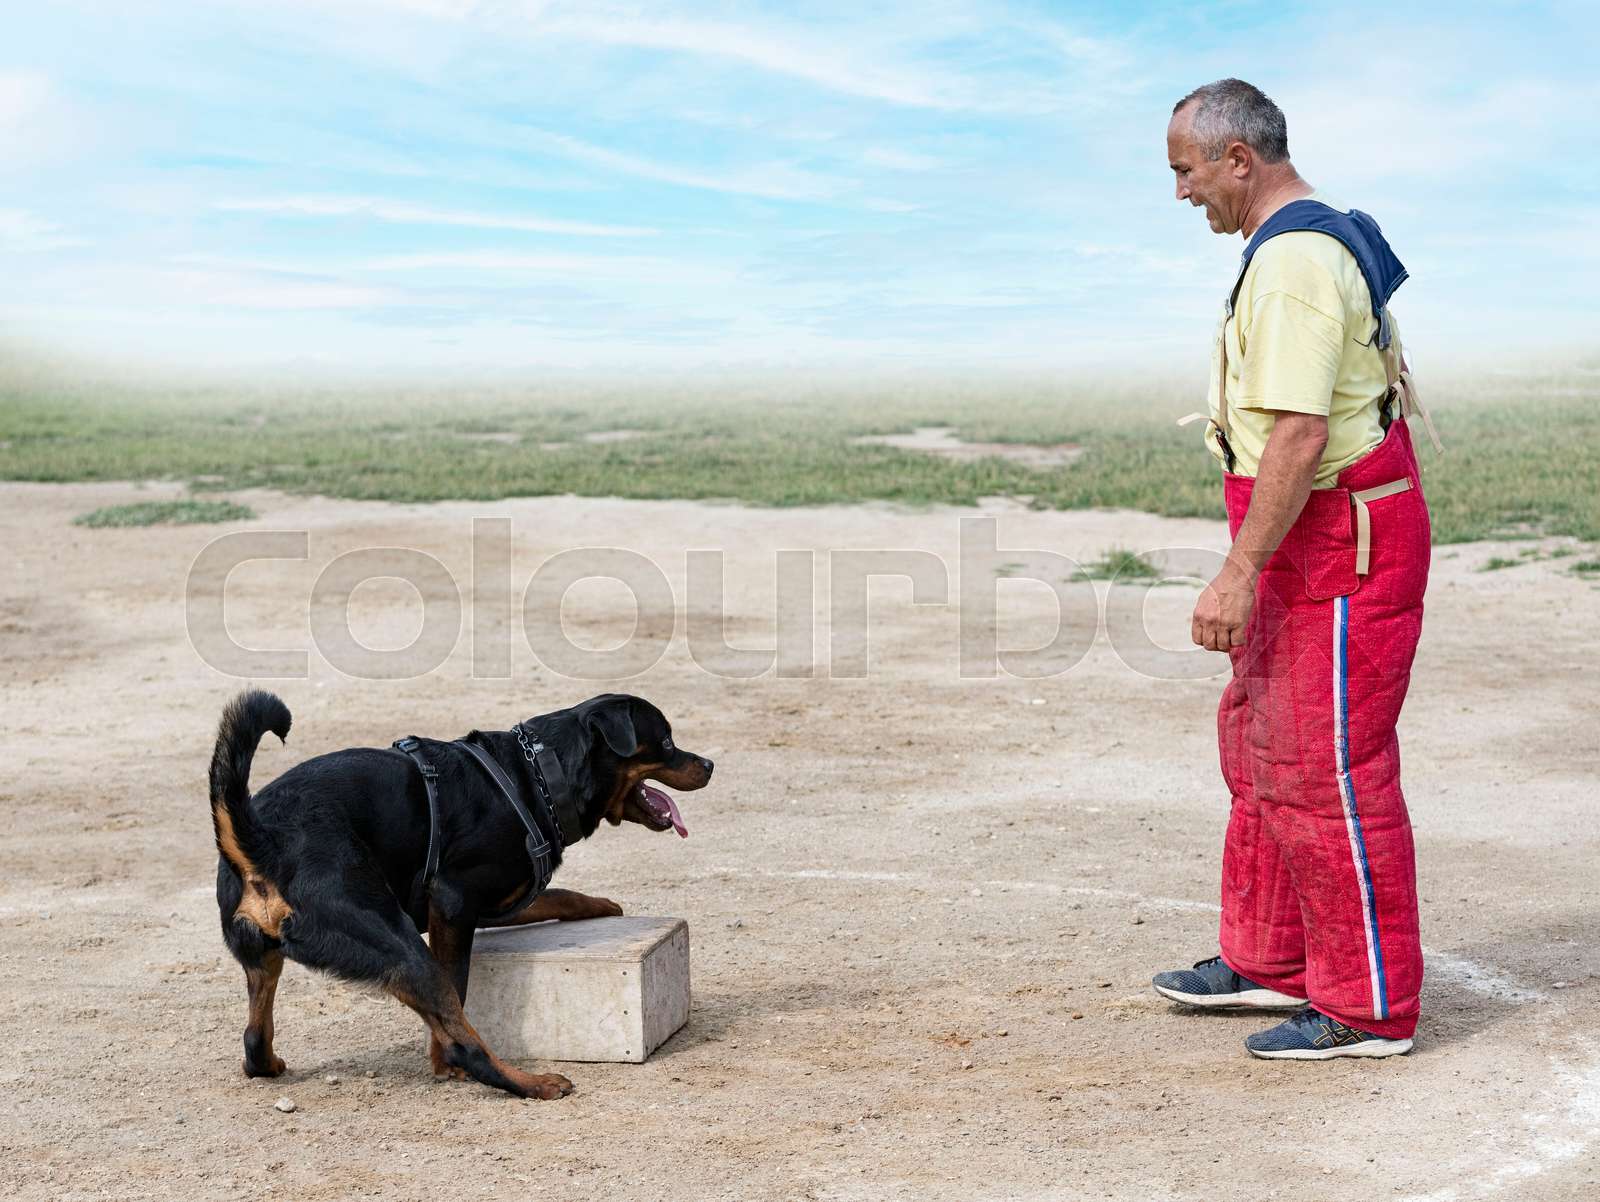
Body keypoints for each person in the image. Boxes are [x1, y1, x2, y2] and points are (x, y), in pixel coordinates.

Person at [1152, 79, 1439, 1059]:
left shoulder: (1294, 264)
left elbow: (1298, 432)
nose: (1183, 192)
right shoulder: (1302, 241)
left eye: (1186, 171)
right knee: (1262, 745)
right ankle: (1272, 956)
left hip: (1336, 543)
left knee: (1327, 767)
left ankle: (1364, 1007)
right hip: (1305, 539)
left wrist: (1235, 573)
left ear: (1239, 159)